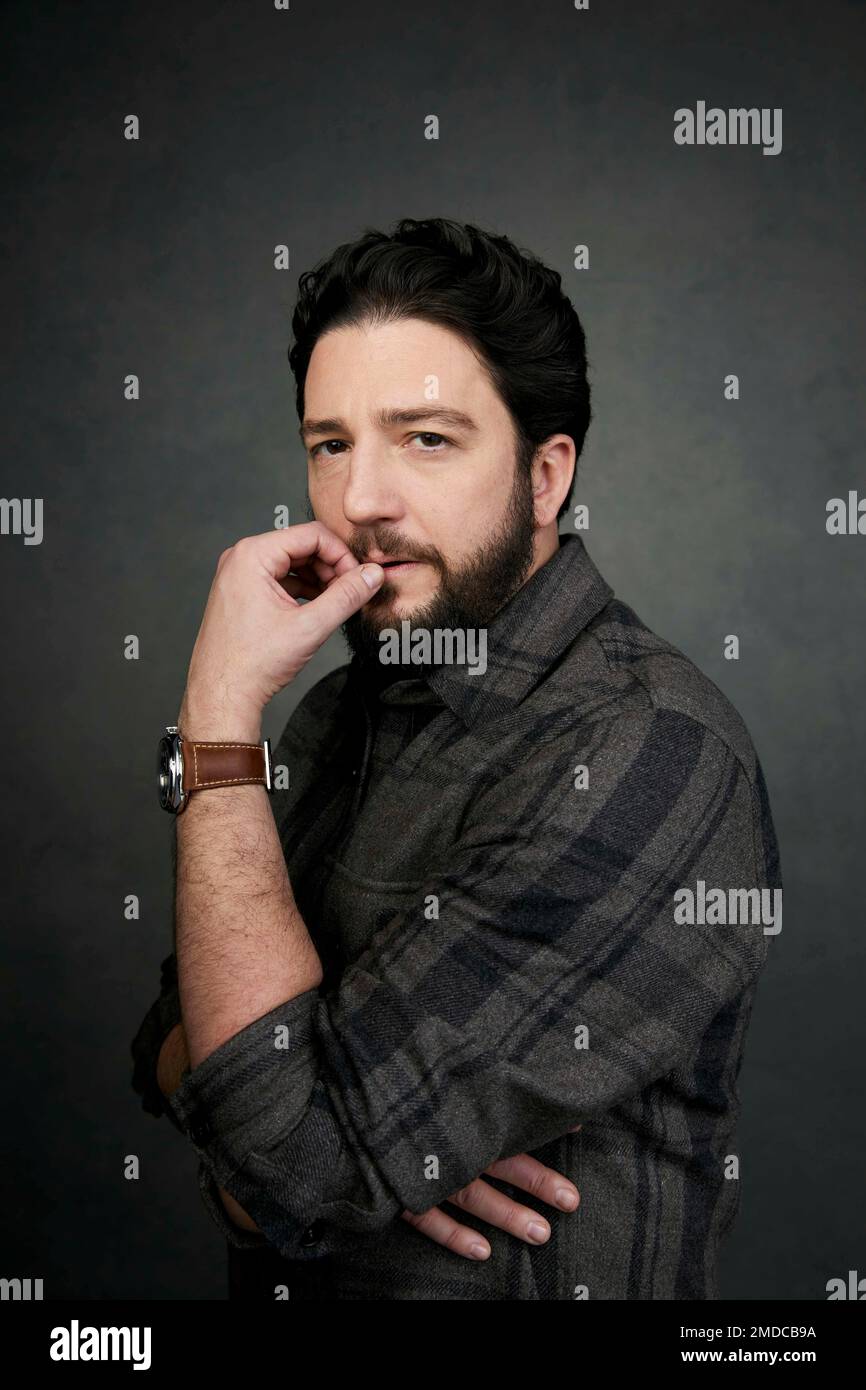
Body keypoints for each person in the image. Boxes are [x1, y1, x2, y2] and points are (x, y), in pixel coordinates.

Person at [131, 216, 781, 1300]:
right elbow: (171, 1030)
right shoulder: (338, 709)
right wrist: (224, 711)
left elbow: (286, 1161)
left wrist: (301, 1138)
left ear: (544, 474)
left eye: (425, 439)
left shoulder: (646, 753)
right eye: (330, 443)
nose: (360, 501)